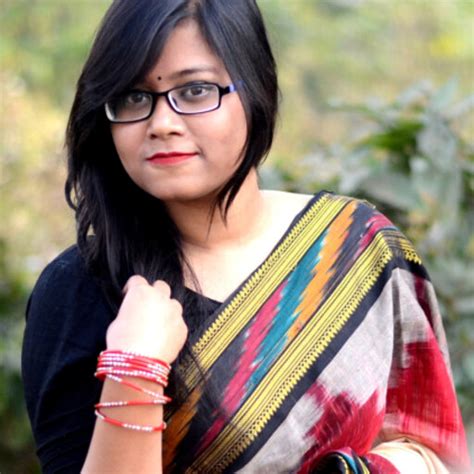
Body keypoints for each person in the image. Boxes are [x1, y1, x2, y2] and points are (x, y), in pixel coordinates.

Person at [21, 1, 471, 473]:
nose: (162, 124)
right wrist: (135, 368)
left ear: (255, 89)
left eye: (195, 90)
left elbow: (434, 451)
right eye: (133, 98)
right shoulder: (77, 290)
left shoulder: (357, 247)